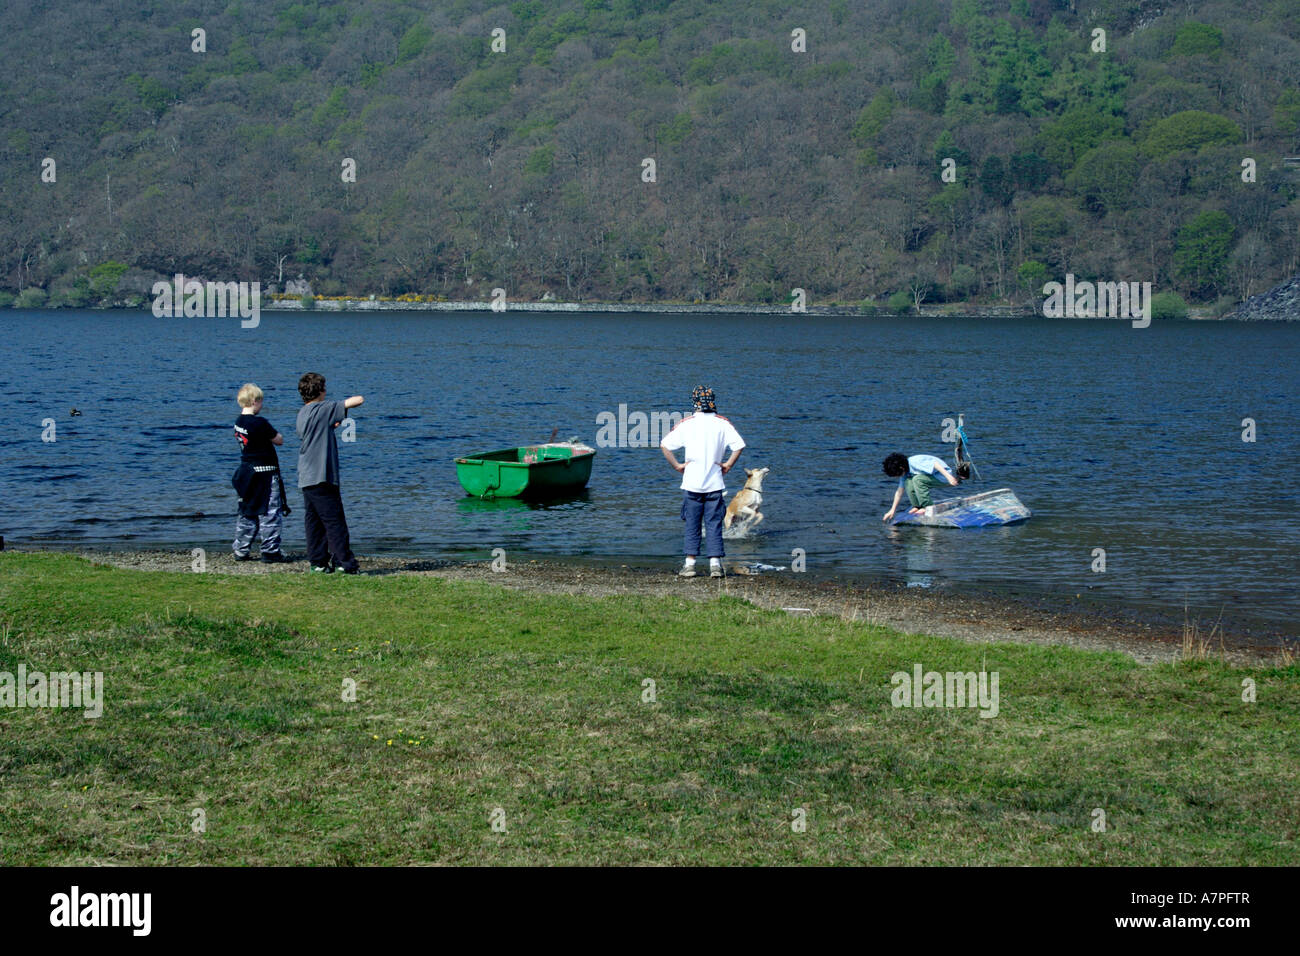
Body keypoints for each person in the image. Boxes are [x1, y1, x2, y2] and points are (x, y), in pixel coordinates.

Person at [659, 386, 745, 578]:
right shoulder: (723, 423)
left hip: (691, 483)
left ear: (694, 402)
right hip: (715, 483)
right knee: (714, 523)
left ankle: (690, 565)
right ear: (713, 401)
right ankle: (715, 565)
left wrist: (677, 466)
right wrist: (728, 465)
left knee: (692, 523)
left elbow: (664, 445)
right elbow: (739, 446)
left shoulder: (687, 423)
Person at [295, 372, 364, 574]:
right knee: (335, 521)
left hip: (306, 475)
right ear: (321, 391)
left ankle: (318, 562)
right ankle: (344, 562)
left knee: (314, 522)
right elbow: (357, 400)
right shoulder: (324, 408)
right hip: (322, 474)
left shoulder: (302, 413)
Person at [231, 383, 289, 562]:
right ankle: (270, 550)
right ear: (255, 401)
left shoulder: (238, 422)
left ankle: (241, 548)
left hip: (246, 472)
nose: (262, 405)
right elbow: (279, 440)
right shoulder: (260, 423)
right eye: (261, 401)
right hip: (265, 472)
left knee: (247, 511)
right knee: (270, 512)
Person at [882, 452, 965, 522]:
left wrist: (949, 477)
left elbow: (936, 464)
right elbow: (899, 491)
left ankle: (927, 506)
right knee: (908, 481)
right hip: (932, 477)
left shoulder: (914, 462)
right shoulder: (905, 472)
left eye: (897, 474)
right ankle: (917, 506)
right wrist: (892, 510)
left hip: (943, 476)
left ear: (901, 468)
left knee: (917, 479)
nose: (897, 476)